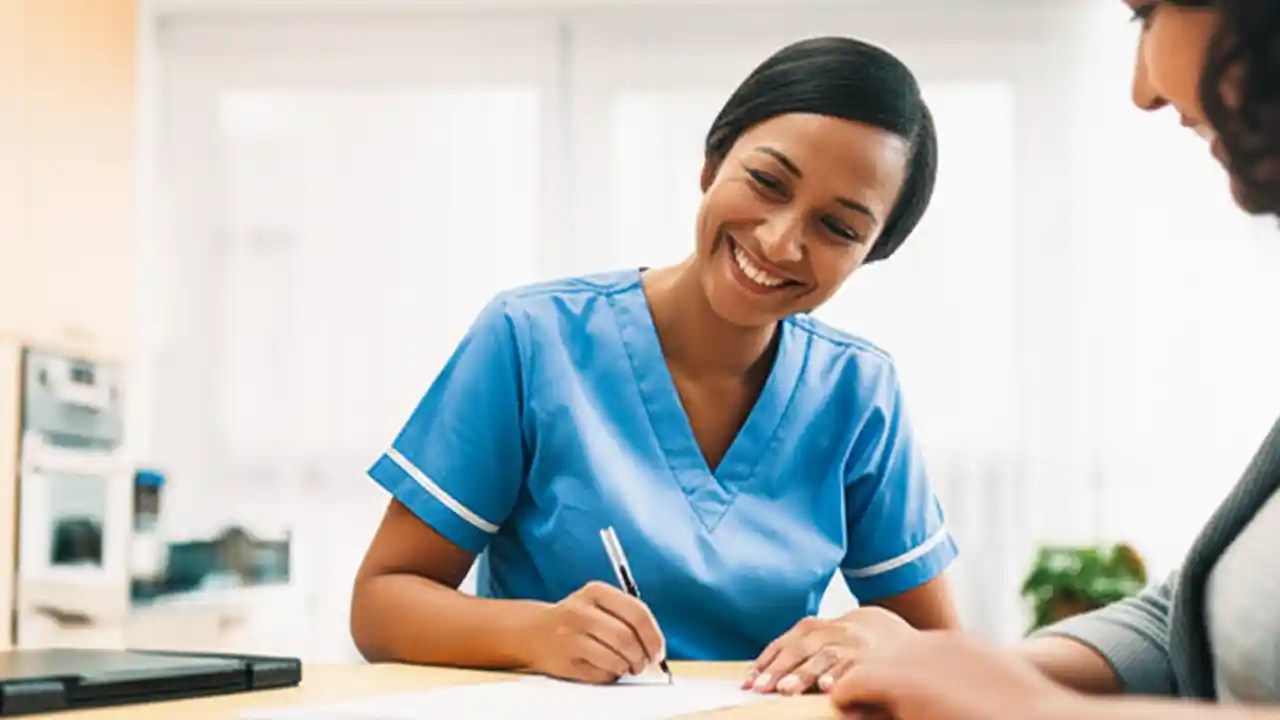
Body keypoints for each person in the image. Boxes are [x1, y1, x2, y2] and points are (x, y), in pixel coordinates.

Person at [349, 36, 962, 692]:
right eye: (766, 182)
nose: (781, 240)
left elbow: (943, 654)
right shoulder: (530, 339)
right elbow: (382, 601)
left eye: (838, 229)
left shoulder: (858, 391)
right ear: (711, 163)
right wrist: (534, 634)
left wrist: (881, 634)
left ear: (869, 254)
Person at [828, 1, 1280, 717]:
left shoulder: (852, 383)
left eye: (1145, 15)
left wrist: (1034, 709)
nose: (1143, 90)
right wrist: (977, 671)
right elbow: (1188, 621)